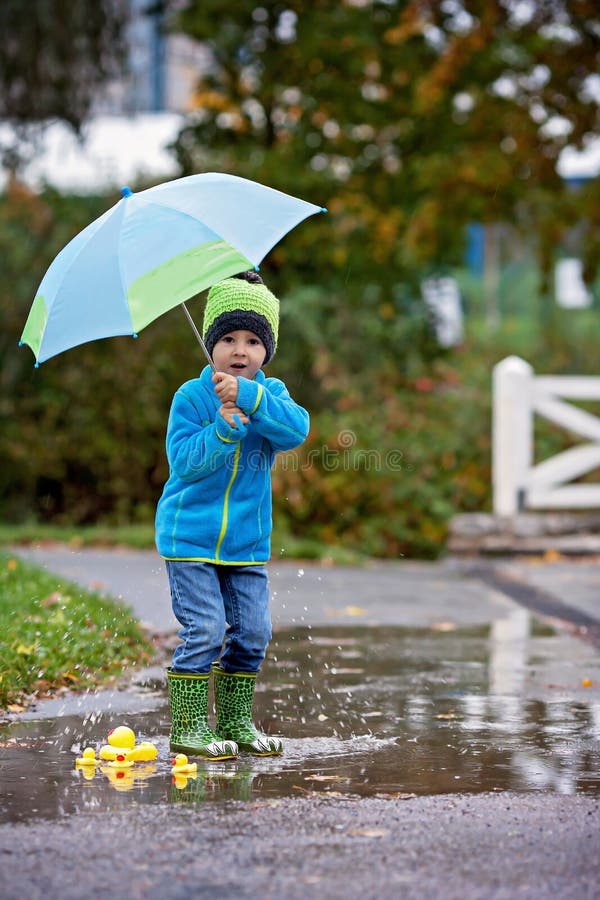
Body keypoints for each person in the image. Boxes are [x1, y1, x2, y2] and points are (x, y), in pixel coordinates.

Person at [155, 270, 310, 760]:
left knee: (253, 632)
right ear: (210, 343)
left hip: (246, 542)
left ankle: (239, 721)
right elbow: (184, 463)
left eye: (252, 340)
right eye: (227, 338)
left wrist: (249, 398)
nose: (239, 351)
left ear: (267, 350)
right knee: (204, 629)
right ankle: (189, 727)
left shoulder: (271, 395)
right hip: (190, 538)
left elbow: (296, 431)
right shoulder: (193, 397)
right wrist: (219, 431)